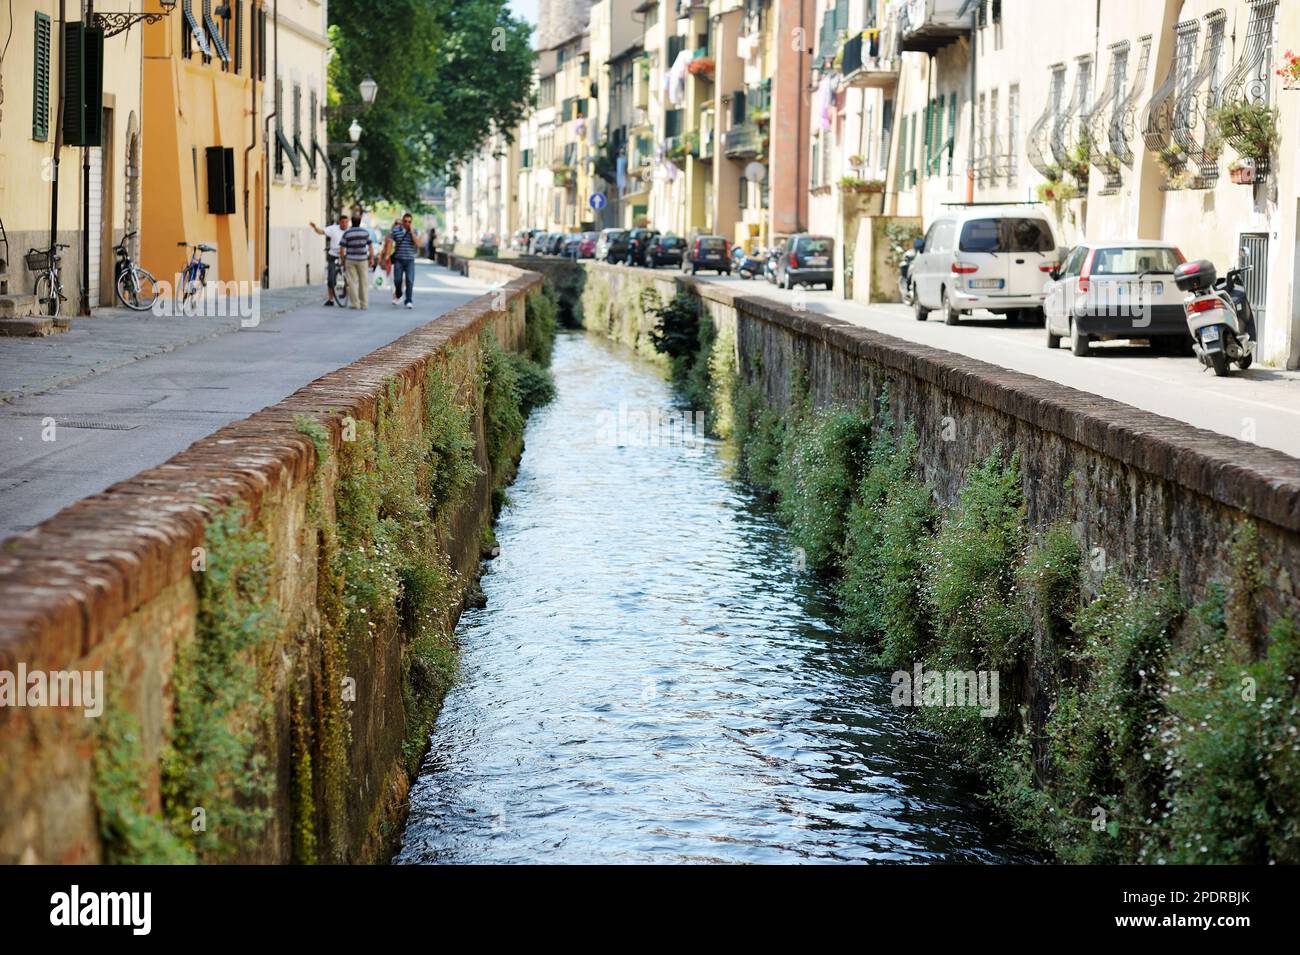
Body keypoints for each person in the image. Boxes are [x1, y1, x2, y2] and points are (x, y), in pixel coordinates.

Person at [309, 212, 349, 306]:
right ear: (339, 222)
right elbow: (321, 232)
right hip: (333, 255)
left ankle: (345, 291)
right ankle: (331, 299)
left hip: (346, 256)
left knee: (348, 276)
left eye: (346, 222)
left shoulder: (349, 231)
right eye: (343, 222)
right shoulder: (333, 228)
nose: (345, 224)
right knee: (331, 278)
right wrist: (315, 227)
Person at [339, 213, 375, 310]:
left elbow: (342, 248)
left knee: (352, 282)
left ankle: (355, 304)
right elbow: (370, 245)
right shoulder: (365, 232)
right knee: (364, 282)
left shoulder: (347, 233)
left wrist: (342, 260)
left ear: (352, 221)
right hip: (363, 260)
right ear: (359, 222)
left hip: (350, 260)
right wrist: (371, 258)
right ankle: (364, 304)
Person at [387, 212, 419, 309]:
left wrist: (412, 231)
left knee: (409, 280)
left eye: (409, 221)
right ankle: (398, 293)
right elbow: (390, 242)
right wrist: (387, 255)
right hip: (398, 260)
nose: (407, 223)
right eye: (405, 221)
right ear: (402, 221)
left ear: (411, 222)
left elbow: (418, 244)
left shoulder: (415, 231)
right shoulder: (396, 230)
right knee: (397, 280)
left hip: (410, 260)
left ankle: (408, 300)